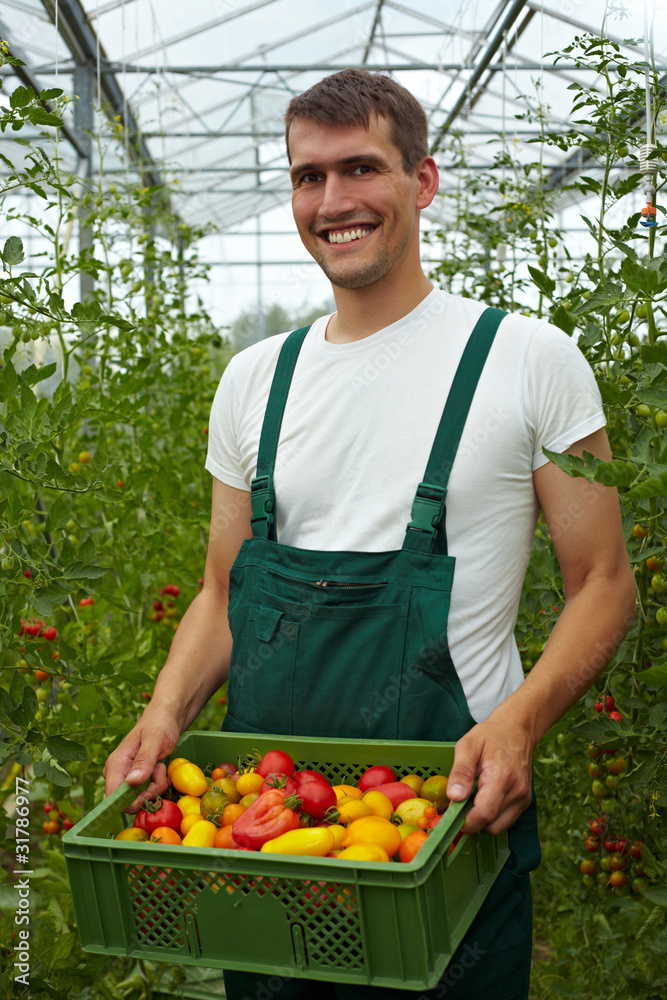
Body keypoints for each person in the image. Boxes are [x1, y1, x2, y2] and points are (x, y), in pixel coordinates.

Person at [104, 69, 635, 999]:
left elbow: (602, 582)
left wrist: (518, 724)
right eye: (309, 177)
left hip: (447, 830)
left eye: (360, 169)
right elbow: (224, 593)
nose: (333, 201)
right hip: (266, 839)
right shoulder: (254, 382)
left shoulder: (528, 361)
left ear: (420, 182)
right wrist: (163, 715)